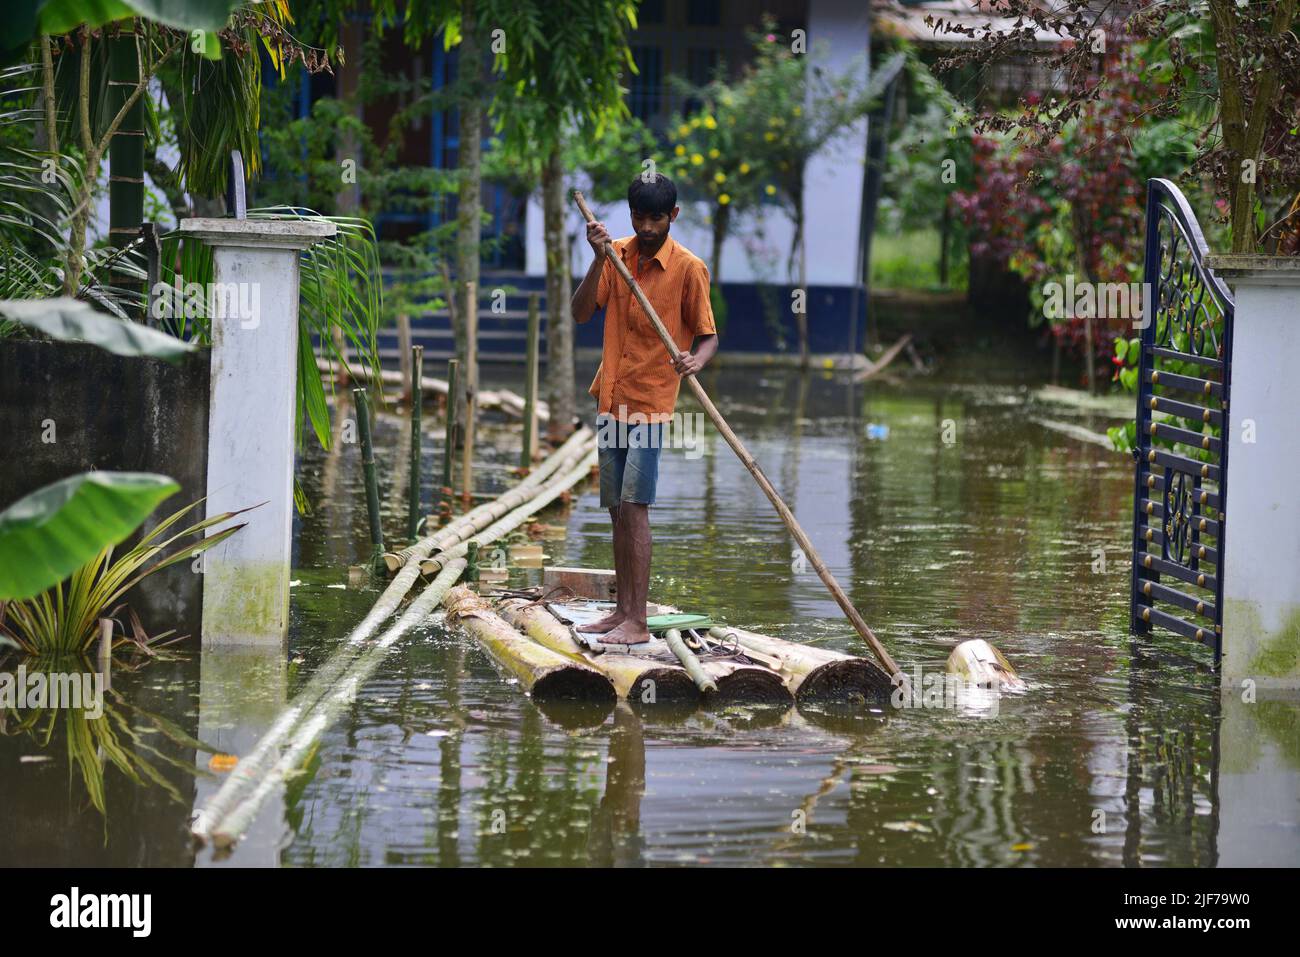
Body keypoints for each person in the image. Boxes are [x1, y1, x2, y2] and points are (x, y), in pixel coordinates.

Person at [568, 173, 718, 644]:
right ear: (630, 215)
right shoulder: (617, 254)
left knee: (635, 507)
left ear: (672, 216)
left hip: (651, 403)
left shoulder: (689, 268)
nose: (647, 226)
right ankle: (621, 611)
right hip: (611, 397)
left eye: (656, 217)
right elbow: (580, 313)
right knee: (615, 507)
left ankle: (637, 622)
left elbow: (707, 334)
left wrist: (695, 359)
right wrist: (597, 259)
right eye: (639, 217)